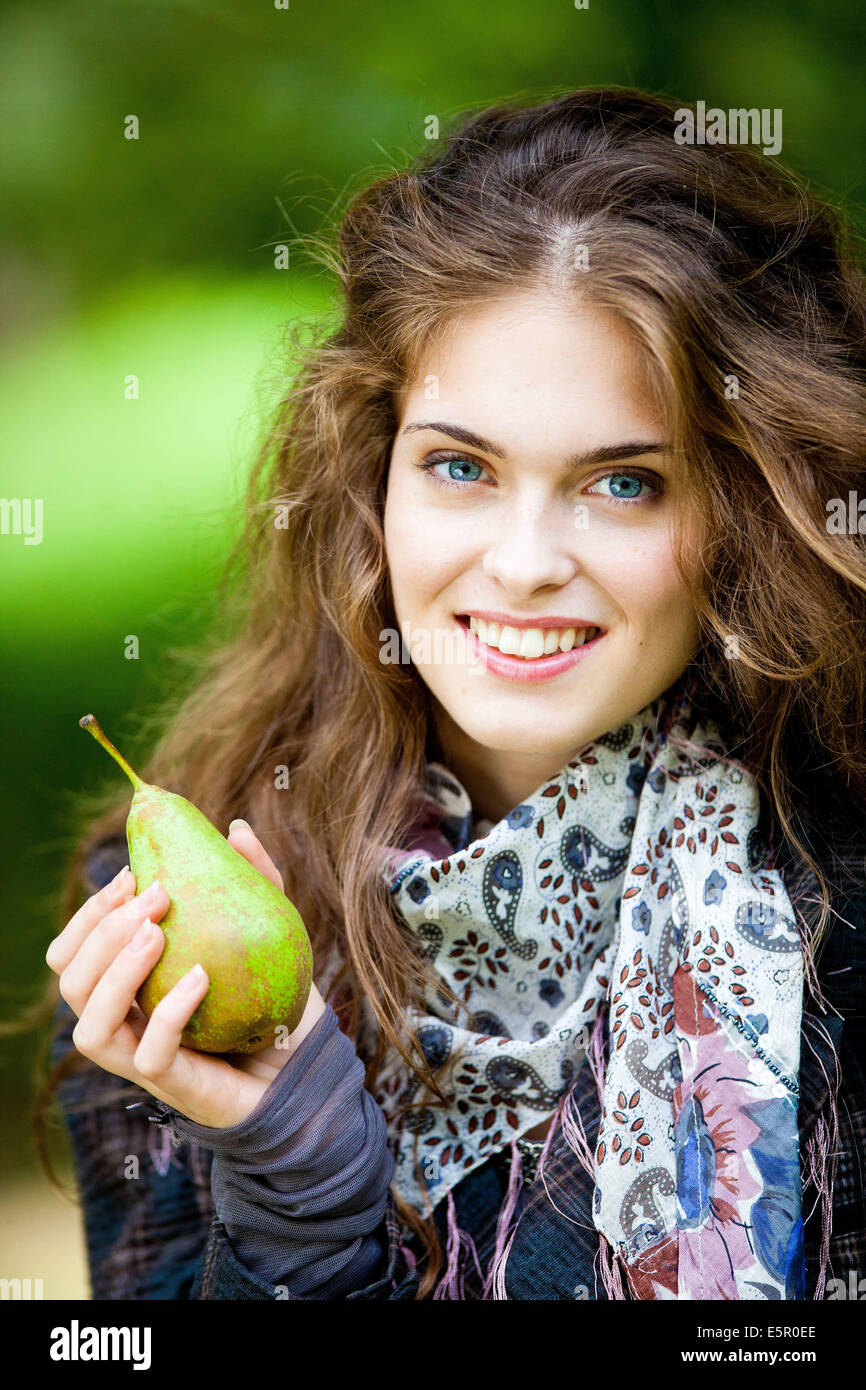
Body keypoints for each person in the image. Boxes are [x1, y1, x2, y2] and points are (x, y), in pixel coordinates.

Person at [35, 86, 866, 1300]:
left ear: (740, 505)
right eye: (460, 465)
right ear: (372, 478)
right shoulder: (155, 940)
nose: (525, 561)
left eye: (622, 482)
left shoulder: (834, 905)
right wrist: (293, 1205)